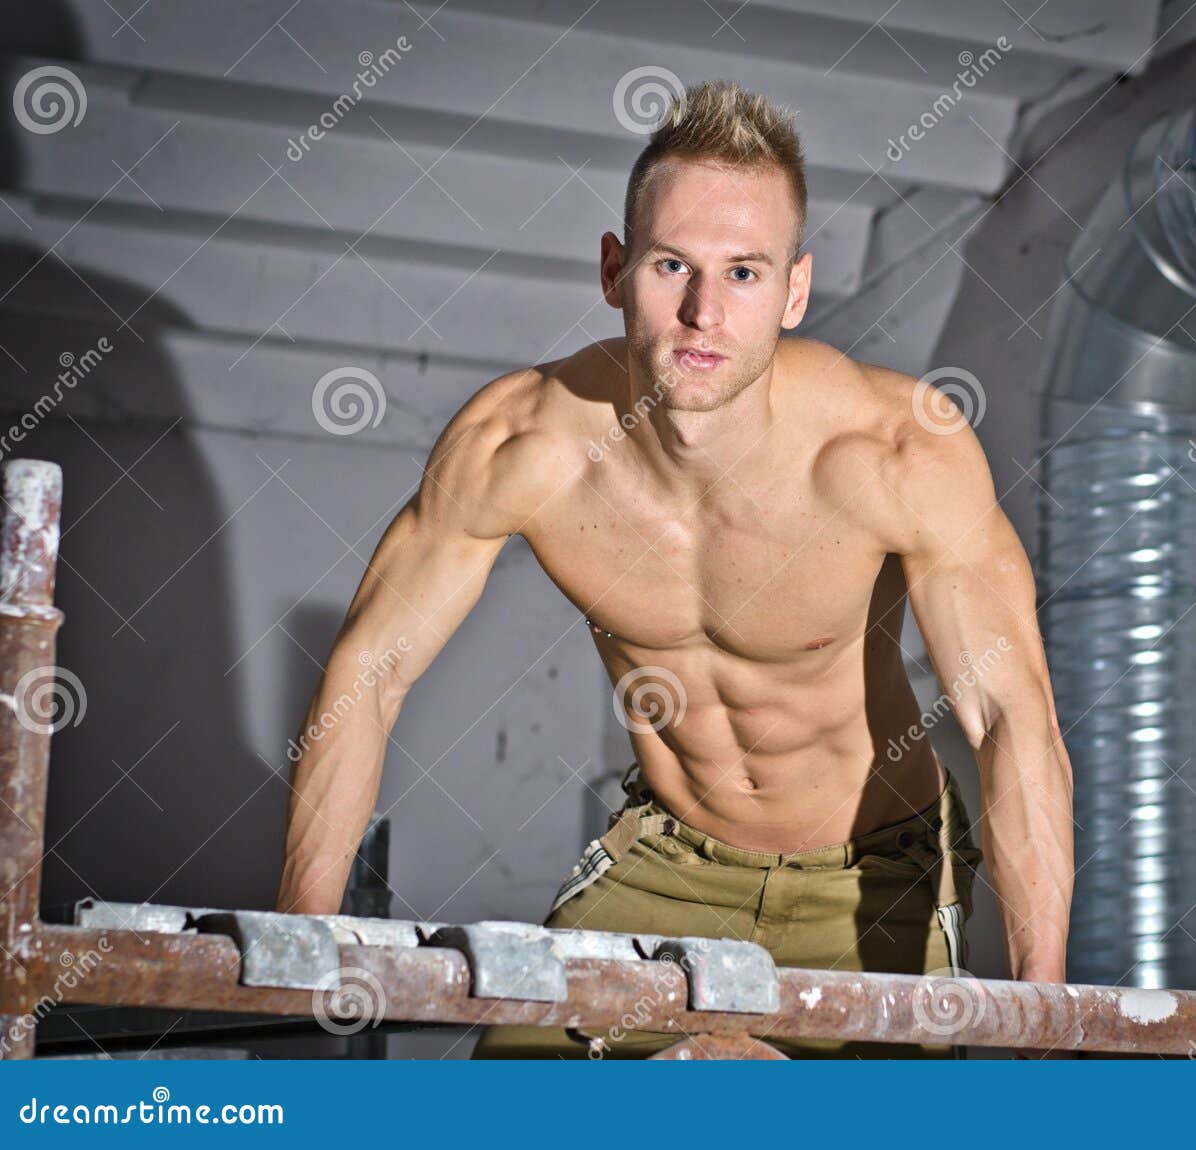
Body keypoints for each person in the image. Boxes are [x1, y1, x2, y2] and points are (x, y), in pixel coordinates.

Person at [274, 79, 1075, 1059]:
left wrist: (1045, 1012)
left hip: (872, 873)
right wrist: (297, 943)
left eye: (744, 273)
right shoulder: (519, 448)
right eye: (671, 266)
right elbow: (370, 672)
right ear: (615, 270)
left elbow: (1009, 717)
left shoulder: (896, 451)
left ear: (794, 289)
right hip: (667, 858)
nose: (704, 312)